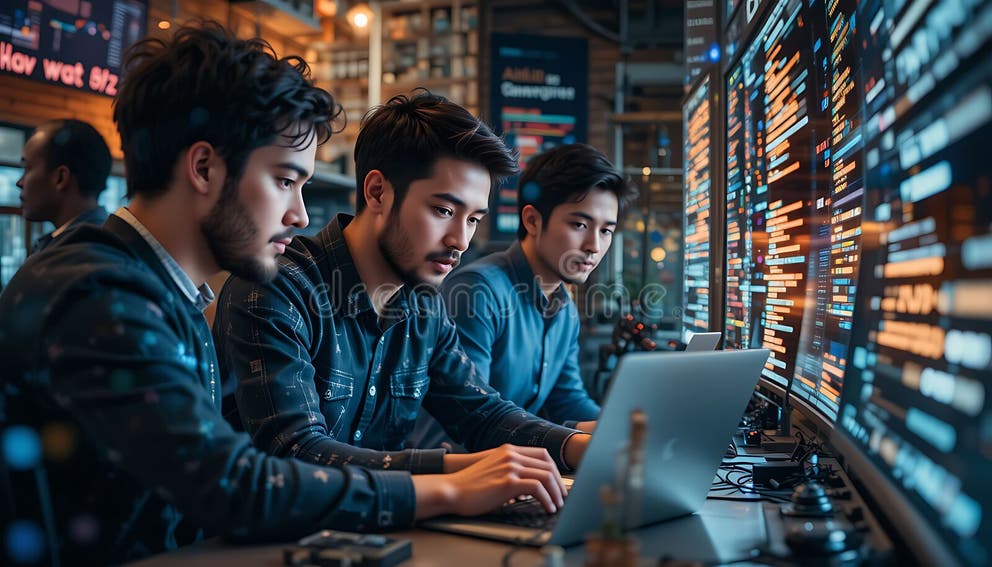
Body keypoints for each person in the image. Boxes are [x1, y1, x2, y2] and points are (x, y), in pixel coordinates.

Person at [0, 24, 565, 567]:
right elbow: (231, 484)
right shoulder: (100, 292)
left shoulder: (158, 294)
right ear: (203, 167)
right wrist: (449, 487)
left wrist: (557, 451)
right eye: (285, 180)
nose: (298, 213)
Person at [212, 91, 591, 486]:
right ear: (377, 192)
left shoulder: (424, 306)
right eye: (444, 211)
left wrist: (579, 445)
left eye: (474, 219)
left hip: (377, 536)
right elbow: (297, 452)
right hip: (261, 544)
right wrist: (457, 473)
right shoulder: (276, 290)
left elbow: (482, 412)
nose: (460, 240)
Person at [410, 143, 635, 450]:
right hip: (457, 469)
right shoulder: (478, 291)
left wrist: (625, 433)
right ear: (532, 220)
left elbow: (566, 401)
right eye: (580, 224)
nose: (594, 245)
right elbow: (475, 417)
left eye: (606, 230)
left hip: (514, 465)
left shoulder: (564, 307)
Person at [17, 119, 112, 254]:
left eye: (27, 168)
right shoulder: (105, 244)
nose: (19, 183)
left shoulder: (78, 257)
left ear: (60, 178)